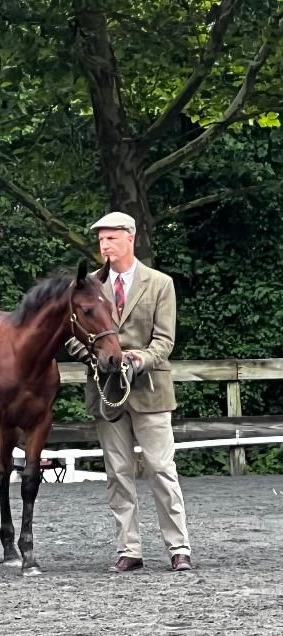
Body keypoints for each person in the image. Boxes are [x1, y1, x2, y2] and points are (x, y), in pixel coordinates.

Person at [66, 212, 193, 573]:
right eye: (101, 240)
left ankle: (178, 546)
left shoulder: (160, 283)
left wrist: (140, 359)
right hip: (106, 390)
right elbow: (72, 333)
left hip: (149, 389)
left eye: (111, 239)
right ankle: (129, 549)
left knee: (161, 469)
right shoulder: (88, 285)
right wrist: (91, 356)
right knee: (118, 471)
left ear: (130, 239)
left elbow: (165, 341)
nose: (104, 246)